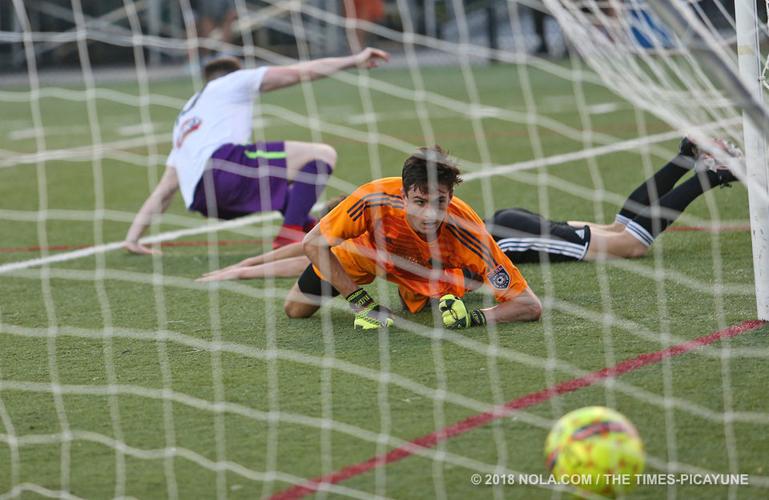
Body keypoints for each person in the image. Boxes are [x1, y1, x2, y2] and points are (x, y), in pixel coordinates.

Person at [197, 137, 741, 282]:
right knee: (611, 228)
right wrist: (236, 269)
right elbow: (303, 254)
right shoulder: (380, 213)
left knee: (627, 245)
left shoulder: (370, 233)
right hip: (505, 224)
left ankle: (709, 173)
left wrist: (232, 272)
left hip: (504, 239)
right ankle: (684, 158)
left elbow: (303, 259)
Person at [124, 48, 390, 254]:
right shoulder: (233, 81)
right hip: (224, 169)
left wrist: (133, 237)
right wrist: (354, 60)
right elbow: (298, 72)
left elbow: (166, 188)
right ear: (234, 74)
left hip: (206, 201)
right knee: (321, 155)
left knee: (283, 187)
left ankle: (311, 228)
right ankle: (289, 235)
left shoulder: (186, 119)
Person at [282, 146, 543, 330]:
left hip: (425, 270)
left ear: (451, 198)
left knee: (425, 306)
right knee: (295, 309)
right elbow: (312, 243)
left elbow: (529, 306)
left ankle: (465, 276)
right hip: (364, 256)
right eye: (419, 202)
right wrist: (361, 303)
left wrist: (475, 318)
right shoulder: (373, 197)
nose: (430, 214)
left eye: (440, 202)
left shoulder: (468, 231)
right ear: (403, 196)